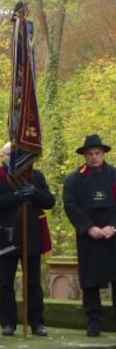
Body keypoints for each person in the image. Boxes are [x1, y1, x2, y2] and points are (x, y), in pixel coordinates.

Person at [0, 142, 55, 337]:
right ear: (2, 155)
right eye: (9, 154)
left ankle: (37, 322)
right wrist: (15, 196)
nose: (13, 157)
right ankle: (8, 322)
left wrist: (35, 192)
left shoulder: (35, 176)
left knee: (33, 282)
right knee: (6, 282)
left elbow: (50, 201)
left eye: (17, 154)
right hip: (6, 235)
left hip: (31, 235)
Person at [62, 134, 116, 337]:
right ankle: (94, 321)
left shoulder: (114, 175)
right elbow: (70, 205)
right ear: (85, 155)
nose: (94, 157)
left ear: (103, 154)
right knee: (90, 280)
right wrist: (88, 228)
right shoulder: (74, 179)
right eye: (90, 154)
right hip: (89, 236)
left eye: (97, 153)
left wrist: (113, 226)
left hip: (113, 235)